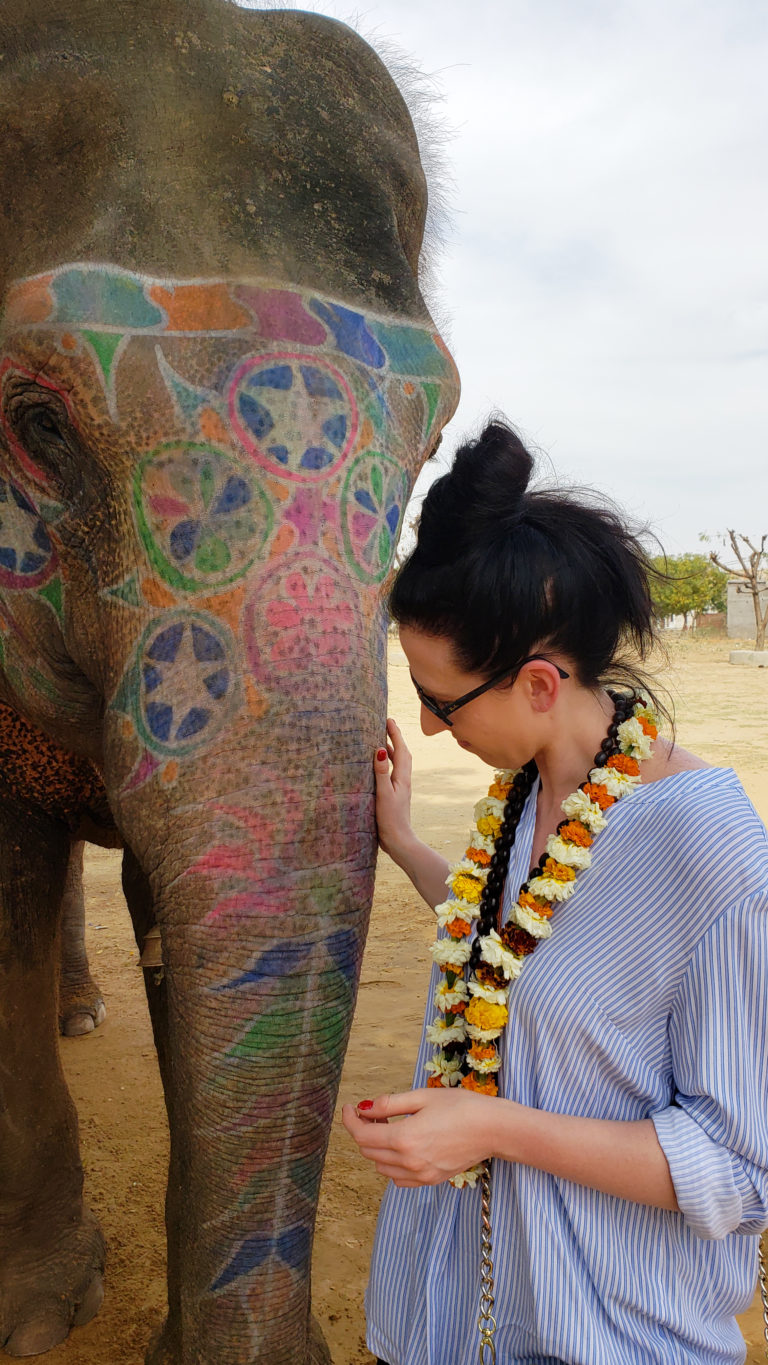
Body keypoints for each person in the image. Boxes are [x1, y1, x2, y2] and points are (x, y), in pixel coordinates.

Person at [342, 421, 768, 1365]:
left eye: (440, 699)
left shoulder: (711, 848)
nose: (426, 721)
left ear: (538, 683)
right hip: (448, 1316)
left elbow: (737, 1171)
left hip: (600, 1332)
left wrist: (489, 1126)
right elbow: (516, 952)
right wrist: (404, 840)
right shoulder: (533, 793)